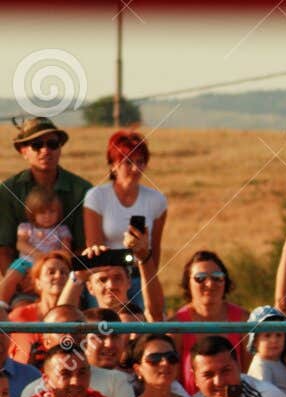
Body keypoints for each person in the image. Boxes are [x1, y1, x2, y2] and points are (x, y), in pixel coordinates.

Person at [83, 131, 166, 316]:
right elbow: (95, 248)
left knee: (154, 320)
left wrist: (143, 258)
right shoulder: (97, 196)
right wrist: (129, 255)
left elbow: (155, 251)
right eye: (128, 162)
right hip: (106, 276)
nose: (136, 169)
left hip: (140, 274)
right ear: (114, 165)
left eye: (141, 162)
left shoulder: (156, 200)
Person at [0, 117, 90, 271]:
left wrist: (66, 281)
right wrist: (22, 284)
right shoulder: (8, 191)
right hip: (24, 277)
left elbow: (85, 247)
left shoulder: (82, 190)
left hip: (68, 277)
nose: (45, 150)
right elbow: (3, 249)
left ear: (60, 149)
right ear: (23, 151)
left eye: (53, 144)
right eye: (36, 145)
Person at [172, 250, 247, 394]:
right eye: (200, 278)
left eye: (217, 277)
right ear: (188, 283)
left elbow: (250, 375)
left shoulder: (244, 321)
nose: (210, 283)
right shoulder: (176, 326)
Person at [3, 251, 74, 364]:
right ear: (38, 282)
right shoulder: (19, 316)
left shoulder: (77, 317)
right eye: (51, 272)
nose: (58, 276)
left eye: (64, 272)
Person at [16, 186, 72, 263]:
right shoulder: (27, 228)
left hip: (50, 263)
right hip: (27, 262)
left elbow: (66, 250)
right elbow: (20, 244)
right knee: (14, 271)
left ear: (58, 212)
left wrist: (51, 257)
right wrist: (36, 254)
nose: (47, 216)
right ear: (32, 213)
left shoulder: (61, 230)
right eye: (42, 212)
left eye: (52, 211)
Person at [244, 305, 286, 391]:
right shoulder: (261, 366)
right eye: (267, 335)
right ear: (255, 342)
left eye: (279, 335)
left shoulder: (279, 362)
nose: (274, 340)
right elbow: (265, 395)